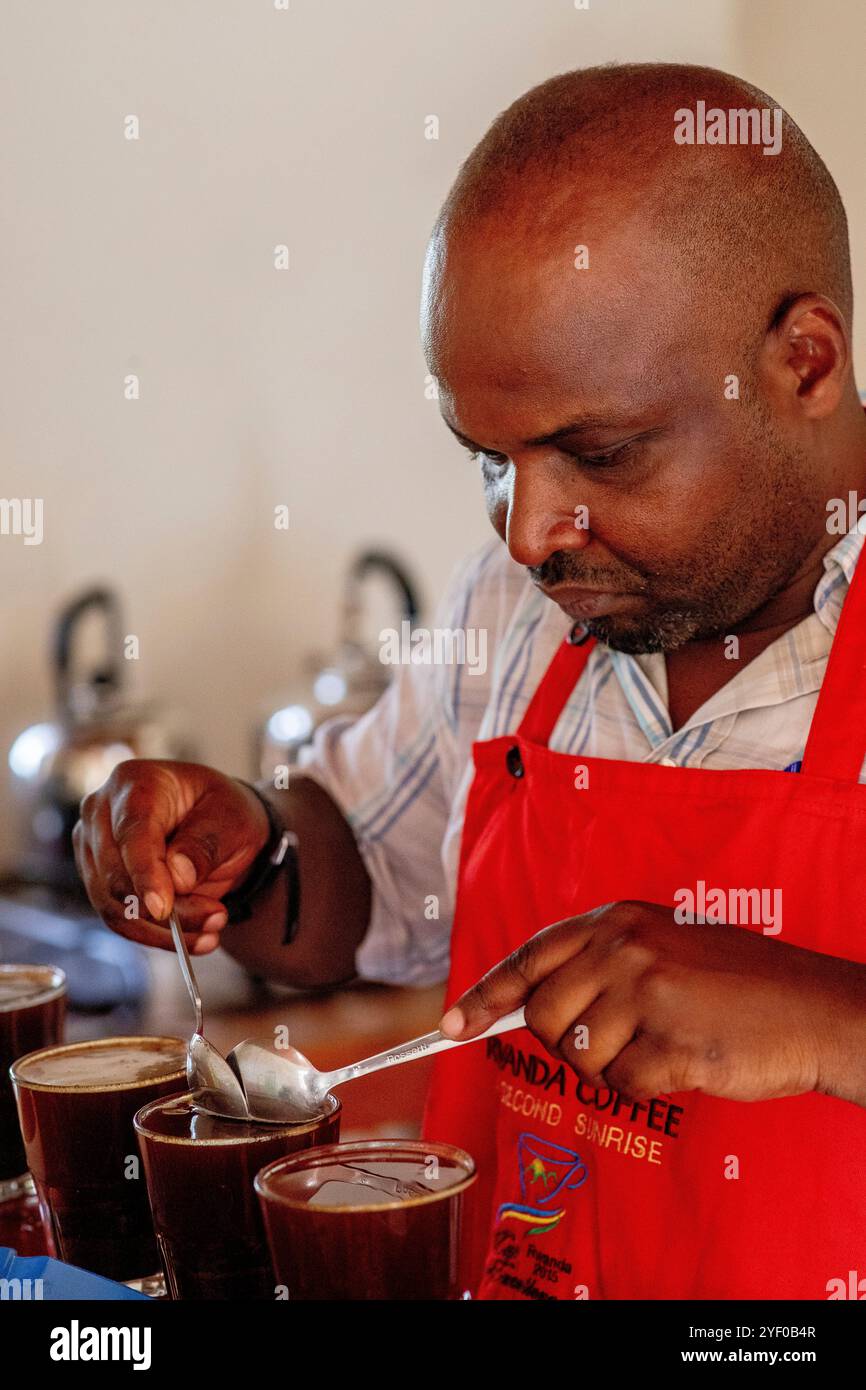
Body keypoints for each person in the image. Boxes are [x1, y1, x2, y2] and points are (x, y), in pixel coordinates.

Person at [75, 63, 866, 1300]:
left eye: (595, 452)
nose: (528, 528)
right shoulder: (517, 606)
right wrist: (253, 842)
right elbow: (366, 875)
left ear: (803, 363)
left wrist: (829, 1019)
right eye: (485, 460)